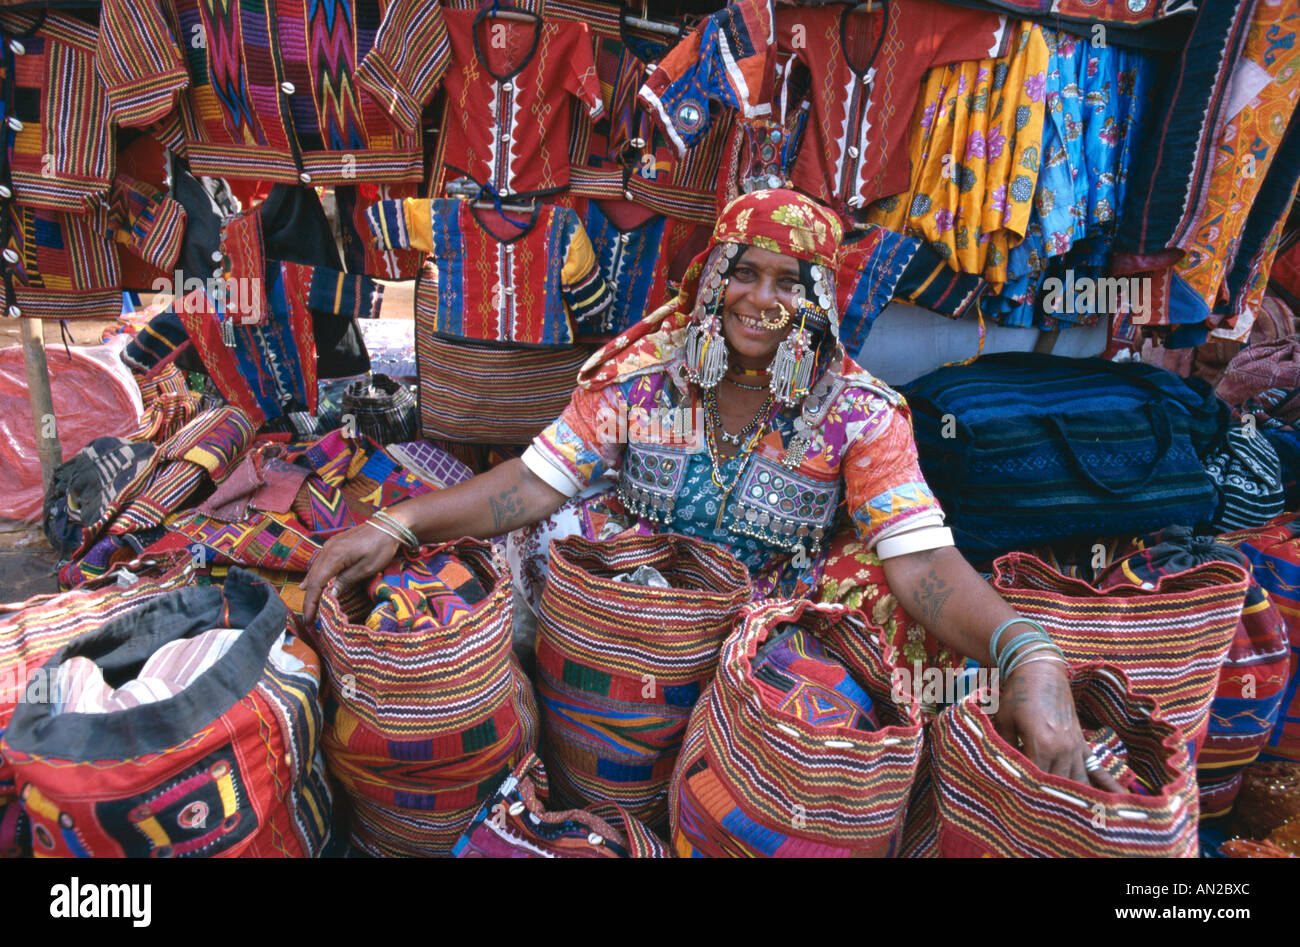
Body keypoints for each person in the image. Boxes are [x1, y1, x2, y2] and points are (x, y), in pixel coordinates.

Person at [302, 188, 1119, 790]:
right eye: (744, 273)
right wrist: (401, 523)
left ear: (819, 299)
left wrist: (1029, 652)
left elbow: (921, 564)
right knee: (493, 571)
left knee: (883, 599)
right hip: (643, 602)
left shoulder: (860, 413)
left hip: (771, 617)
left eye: (789, 282)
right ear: (710, 278)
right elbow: (530, 485)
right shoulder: (639, 380)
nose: (762, 301)